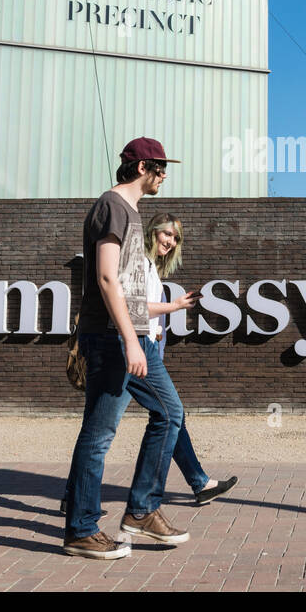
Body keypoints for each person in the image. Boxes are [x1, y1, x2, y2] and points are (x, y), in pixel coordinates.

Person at [61, 137, 190, 560]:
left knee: (167, 414)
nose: (164, 175)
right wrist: (132, 340)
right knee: (102, 435)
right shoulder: (113, 206)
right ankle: (84, 528)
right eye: (160, 168)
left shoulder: (130, 211)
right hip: (115, 337)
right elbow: (105, 277)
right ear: (141, 169)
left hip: (127, 337)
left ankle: (140, 510)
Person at [142, 213, 238, 505]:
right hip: (135, 350)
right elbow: (132, 308)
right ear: (153, 231)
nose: (170, 242)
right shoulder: (140, 264)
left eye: (175, 238)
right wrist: (175, 306)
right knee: (168, 415)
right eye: (166, 234)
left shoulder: (151, 268)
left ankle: (199, 483)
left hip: (146, 349)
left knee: (168, 416)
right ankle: (145, 502)